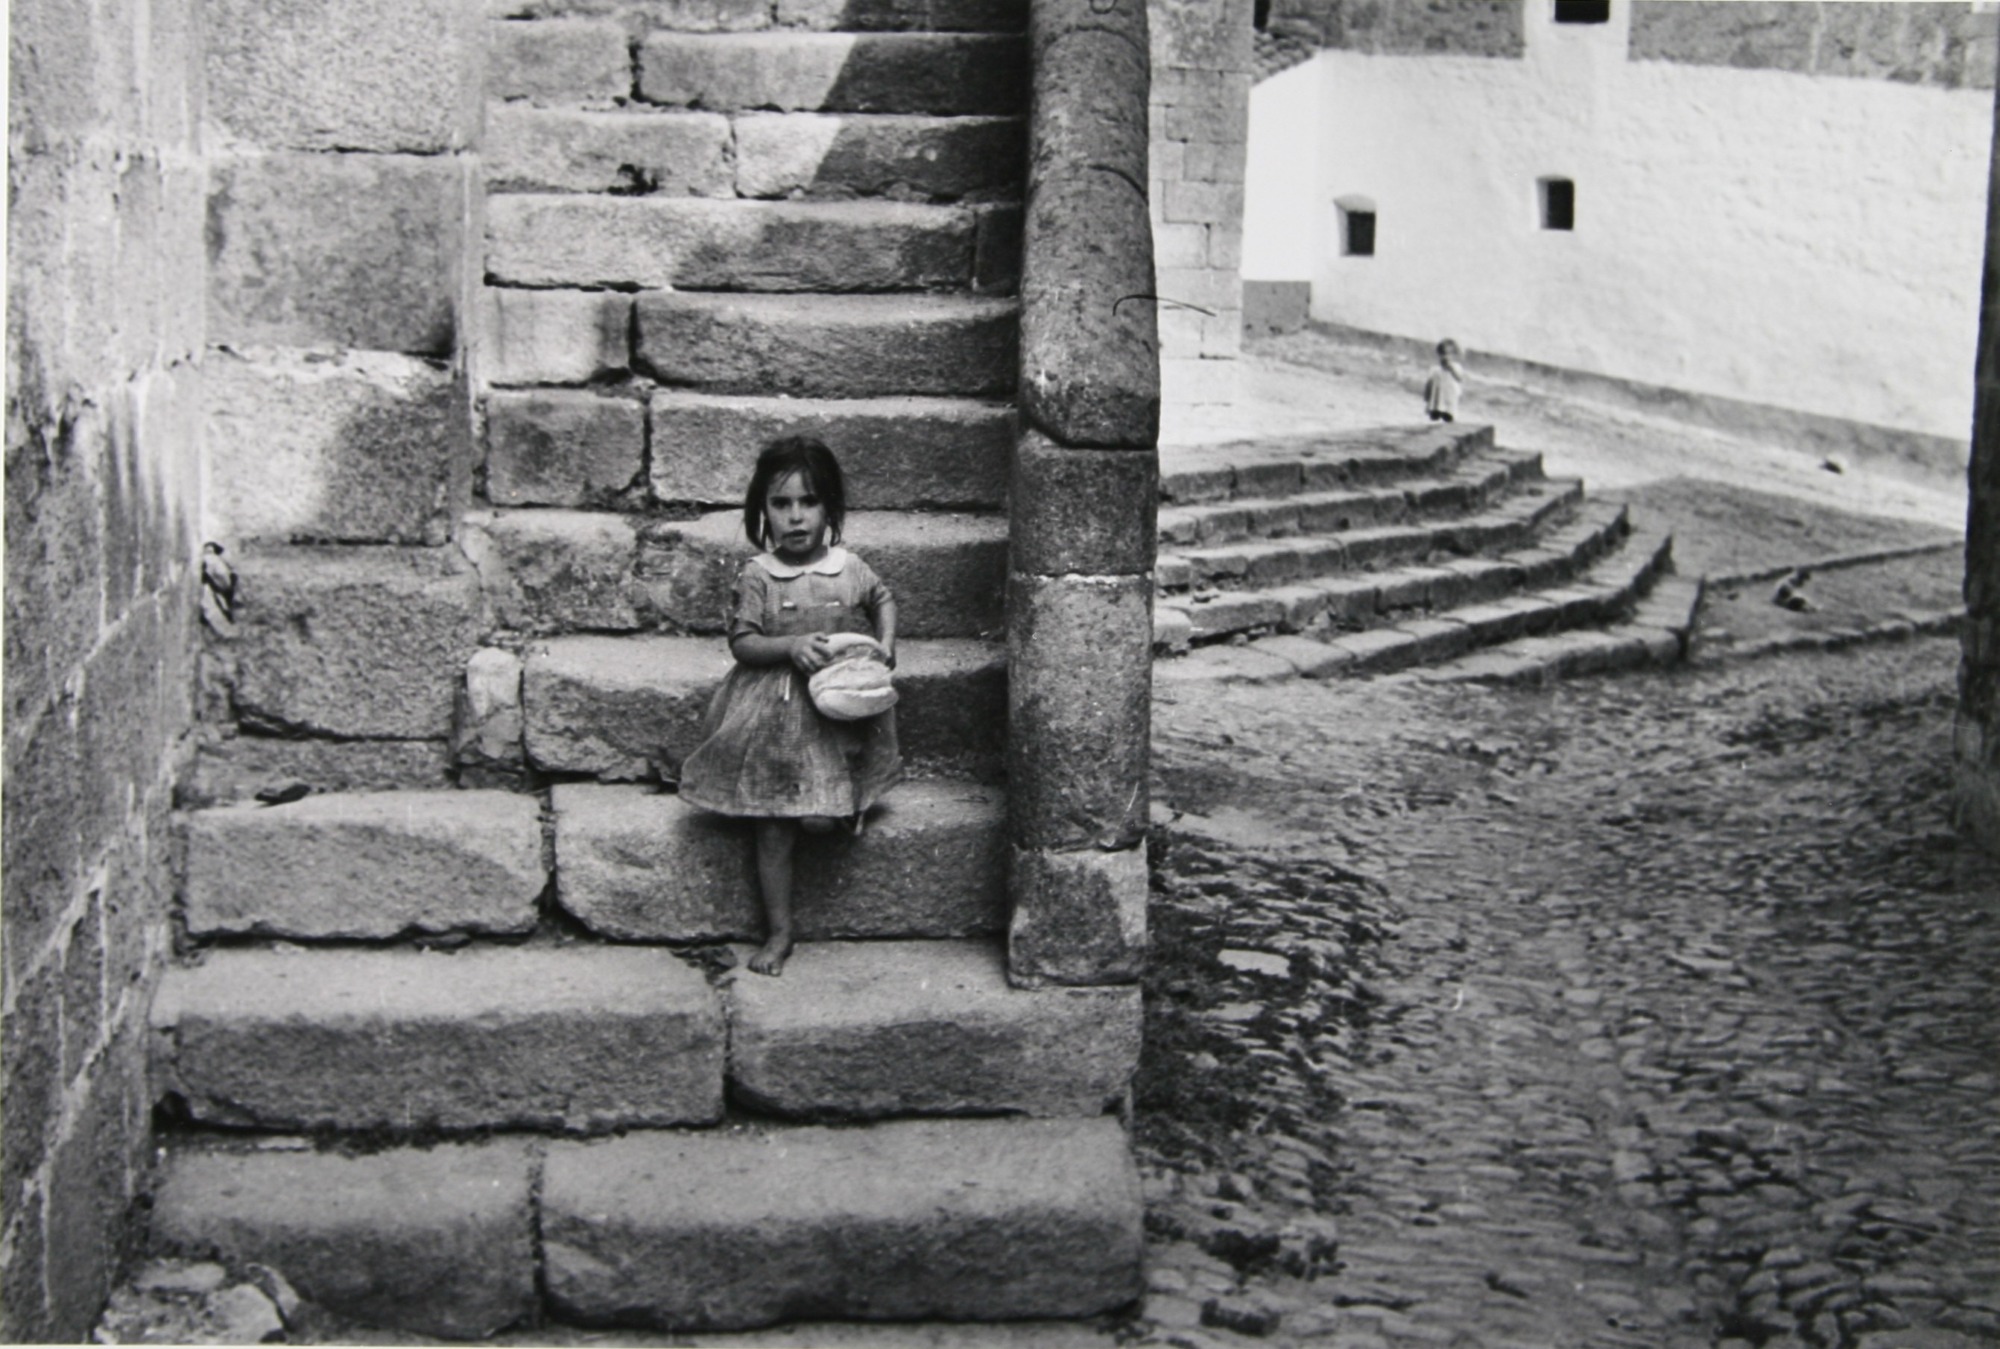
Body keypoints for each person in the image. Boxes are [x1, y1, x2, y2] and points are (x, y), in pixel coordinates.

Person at [676, 437, 901, 976]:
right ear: (763, 510)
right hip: (775, 718)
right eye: (781, 504)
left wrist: (887, 645)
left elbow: (883, 599)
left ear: (830, 508)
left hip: (836, 713)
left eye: (809, 502)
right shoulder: (759, 575)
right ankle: (780, 930)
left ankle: (834, 811)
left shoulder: (850, 568)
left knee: (820, 816)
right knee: (774, 827)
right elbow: (743, 643)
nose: (796, 517)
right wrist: (789, 646)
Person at [1424, 339, 1464, 423]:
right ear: (1439, 354)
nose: (1445, 357)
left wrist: (1452, 369)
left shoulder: (1456, 367)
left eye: (1449, 354)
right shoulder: (1435, 369)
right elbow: (1428, 385)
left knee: (1448, 417)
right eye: (1443, 353)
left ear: (1454, 355)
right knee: (1434, 417)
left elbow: (1460, 378)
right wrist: (1427, 399)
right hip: (1436, 400)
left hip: (1449, 399)